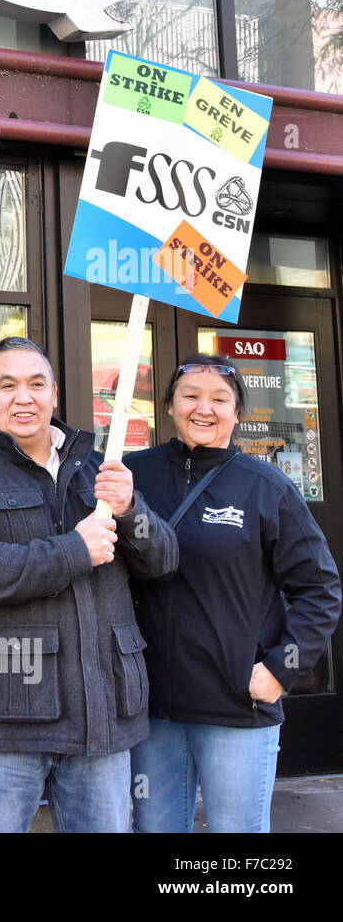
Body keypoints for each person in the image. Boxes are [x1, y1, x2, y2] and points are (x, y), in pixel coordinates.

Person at [0, 336, 177, 832]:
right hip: (2, 720)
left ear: (54, 394)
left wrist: (131, 510)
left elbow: (163, 560)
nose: (23, 397)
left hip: (101, 714)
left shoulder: (100, 469)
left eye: (36, 384)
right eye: (7, 385)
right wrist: (75, 551)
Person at [124, 354, 341, 832]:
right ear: (169, 405)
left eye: (220, 399)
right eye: (191, 396)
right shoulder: (130, 477)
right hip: (150, 707)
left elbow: (320, 588)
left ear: (237, 412)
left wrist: (280, 671)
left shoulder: (266, 487)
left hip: (236, 704)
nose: (205, 408)